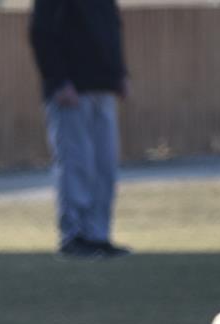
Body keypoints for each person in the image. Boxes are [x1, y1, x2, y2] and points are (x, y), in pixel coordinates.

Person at [29, 0, 131, 259]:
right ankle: (74, 236)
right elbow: (41, 31)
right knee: (76, 164)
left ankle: (98, 234)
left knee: (104, 166)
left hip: (103, 86)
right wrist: (57, 80)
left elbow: (112, 26)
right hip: (71, 90)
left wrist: (119, 73)